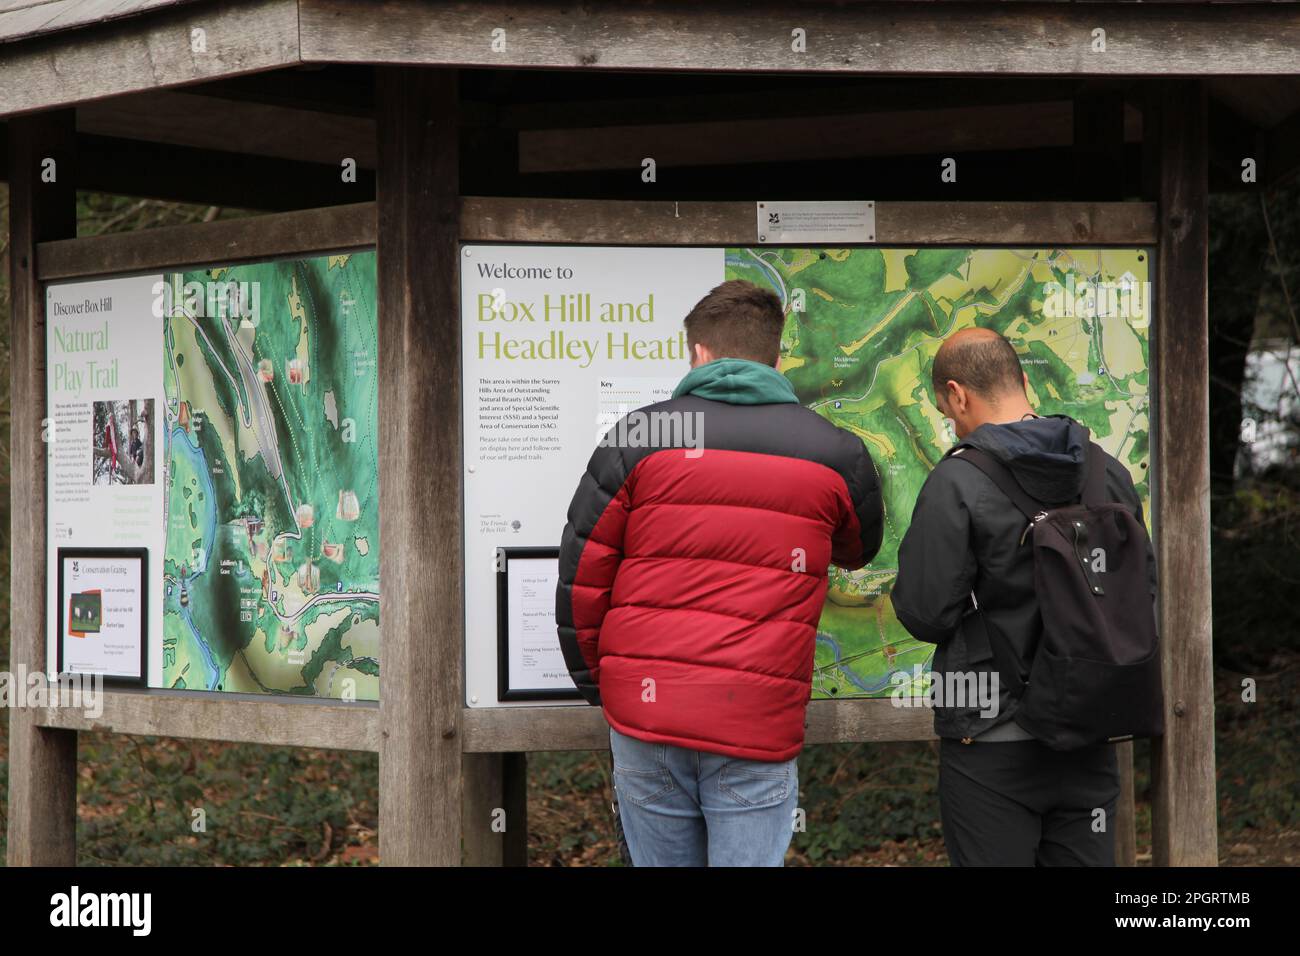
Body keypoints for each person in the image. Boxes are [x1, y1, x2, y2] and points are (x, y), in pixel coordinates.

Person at [556, 279, 884, 867]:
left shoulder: (641, 436)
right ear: (776, 357)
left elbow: (584, 577)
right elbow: (858, 549)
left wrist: (602, 687)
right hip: (755, 720)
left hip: (648, 714)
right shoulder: (835, 453)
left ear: (699, 354)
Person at [892, 327, 1155, 867]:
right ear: (1024, 380)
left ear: (958, 394)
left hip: (991, 738)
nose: (952, 421)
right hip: (1090, 726)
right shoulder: (1108, 472)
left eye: (948, 409)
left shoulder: (958, 480)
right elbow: (1140, 588)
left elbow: (925, 611)